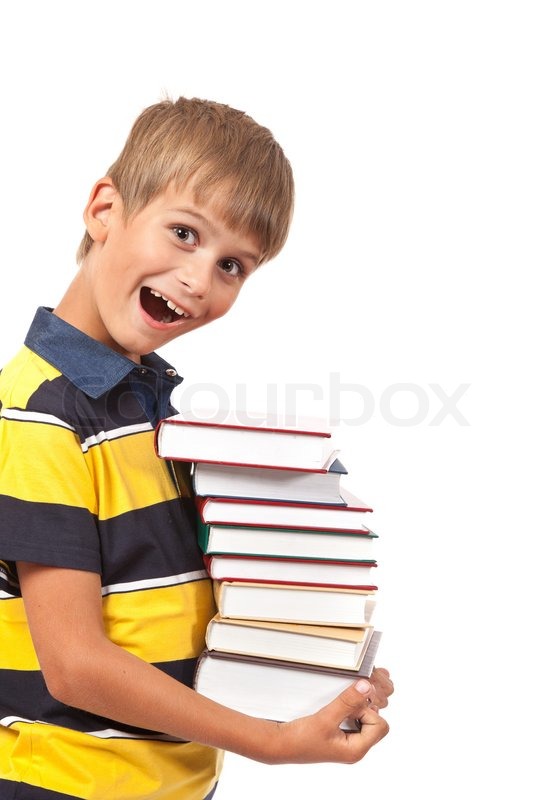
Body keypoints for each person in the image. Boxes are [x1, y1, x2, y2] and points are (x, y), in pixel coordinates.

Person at [0, 96, 393, 800]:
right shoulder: (40, 416)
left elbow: (182, 614)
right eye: (184, 233)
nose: (199, 280)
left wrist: (321, 678)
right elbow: (76, 667)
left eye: (233, 265)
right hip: (67, 784)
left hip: (172, 784)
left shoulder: (154, 411)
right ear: (103, 210)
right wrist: (269, 742)